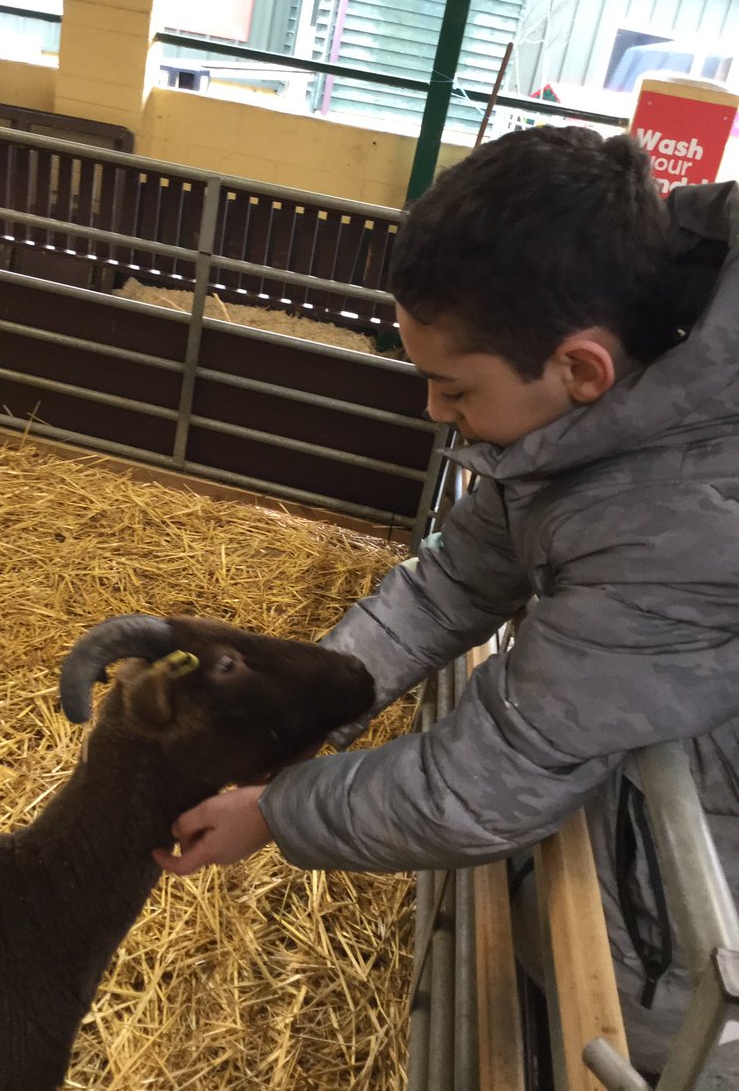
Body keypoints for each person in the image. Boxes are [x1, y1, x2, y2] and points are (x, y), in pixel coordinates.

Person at [154, 126, 739, 1077]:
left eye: (452, 387)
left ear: (580, 368)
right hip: (630, 805)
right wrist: (300, 713)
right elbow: (456, 579)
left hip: (697, 929)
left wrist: (277, 811)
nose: (433, 411)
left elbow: (486, 783)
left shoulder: (685, 525)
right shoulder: (625, 373)